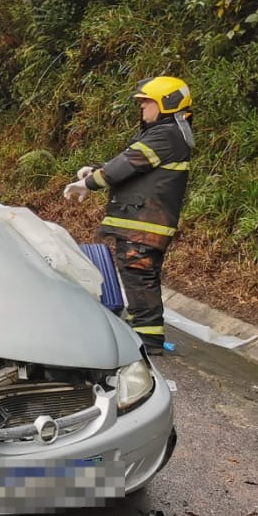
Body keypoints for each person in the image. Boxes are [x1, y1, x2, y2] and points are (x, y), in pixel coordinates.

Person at [63, 76, 193, 354]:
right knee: (138, 278)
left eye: (147, 101)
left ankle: (148, 341)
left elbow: (128, 163)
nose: (142, 107)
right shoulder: (165, 135)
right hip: (143, 222)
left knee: (139, 276)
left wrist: (89, 183)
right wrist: (96, 170)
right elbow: (131, 165)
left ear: (166, 103)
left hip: (145, 223)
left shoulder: (165, 135)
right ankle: (143, 336)